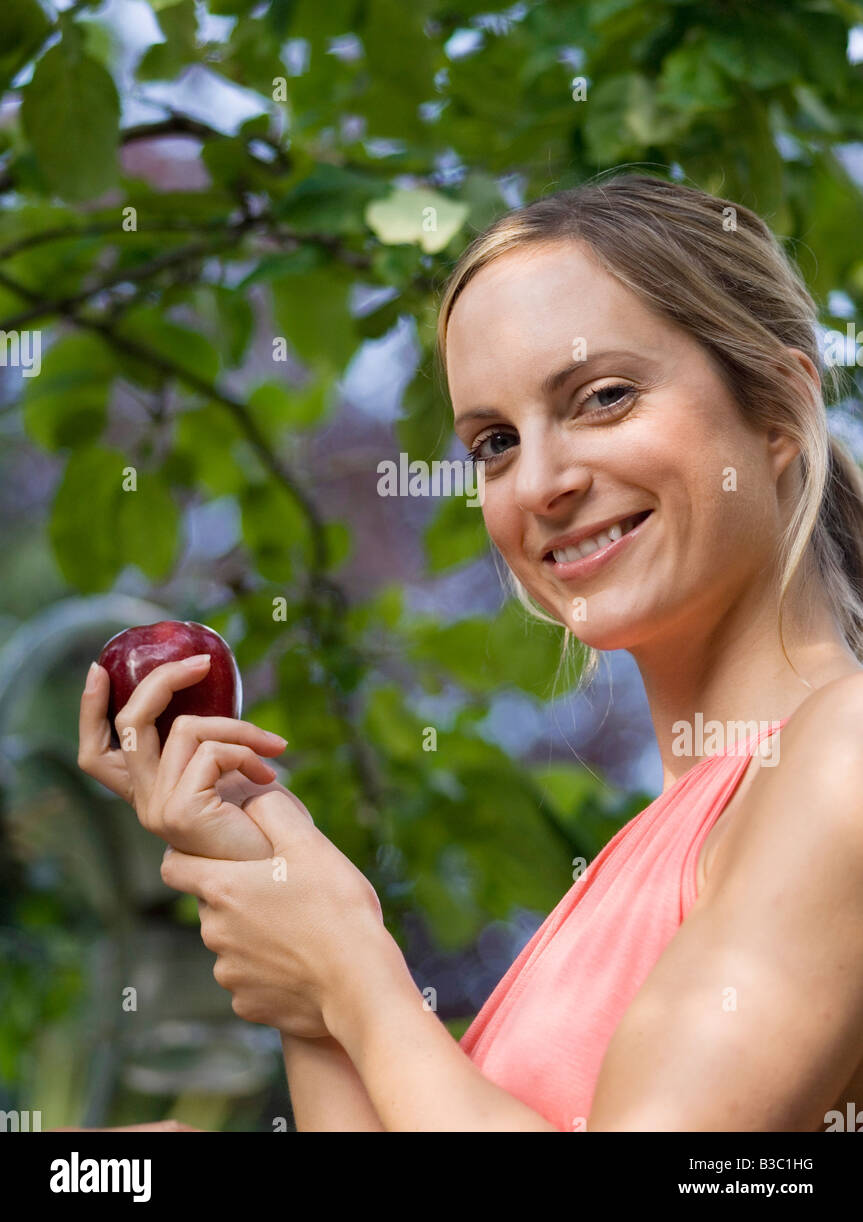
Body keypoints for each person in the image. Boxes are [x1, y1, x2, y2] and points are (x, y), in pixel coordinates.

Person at [77, 172, 863, 1131]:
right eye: (493, 442)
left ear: (780, 408)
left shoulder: (846, 752)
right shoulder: (657, 851)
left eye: (603, 397)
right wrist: (282, 903)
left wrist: (353, 976)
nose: (538, 482)